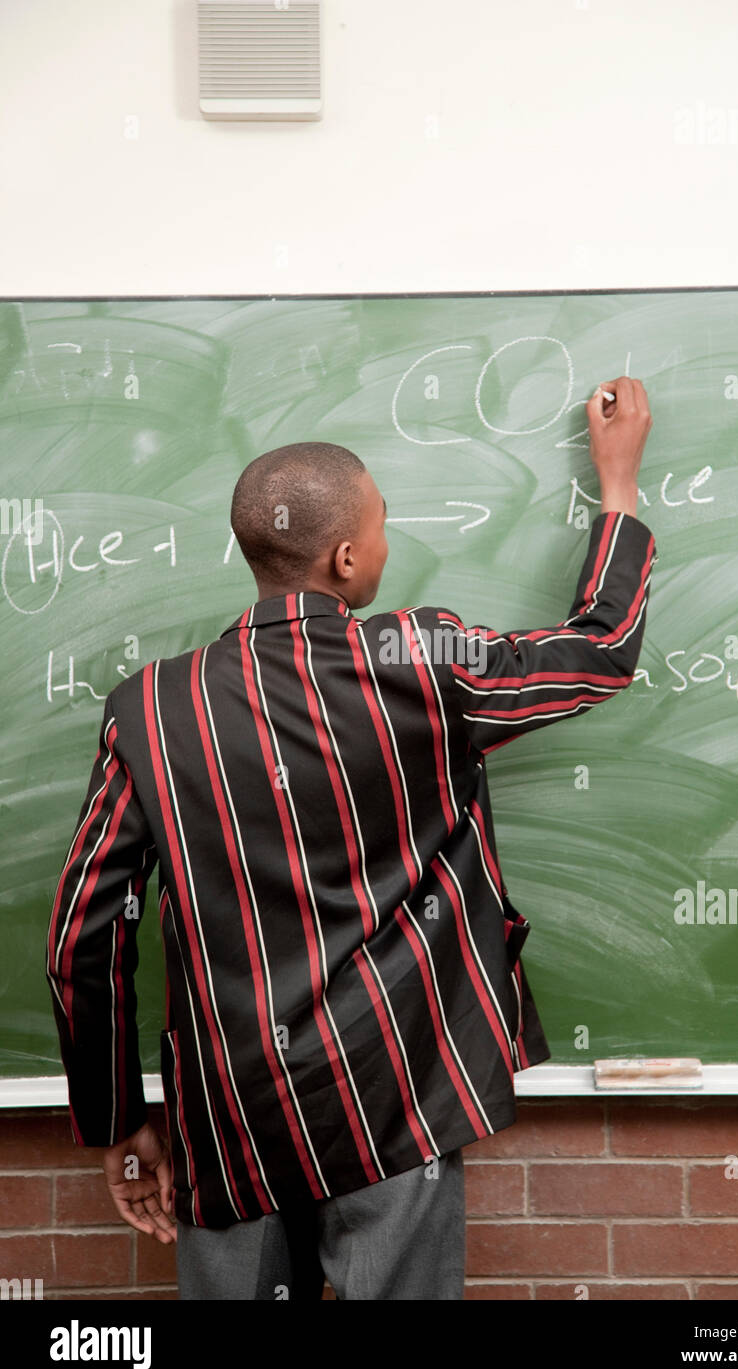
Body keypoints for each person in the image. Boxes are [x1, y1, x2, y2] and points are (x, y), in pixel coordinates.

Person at [46, 376, 656, 1300]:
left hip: (229, 1116)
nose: (384, 537)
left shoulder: (152, 707)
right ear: (343, 559)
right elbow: (600, 648)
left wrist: (118, 1117)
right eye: (379, 521)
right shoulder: (422, 658)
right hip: (393, 1096)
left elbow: (83, 937)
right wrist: (618, 486)